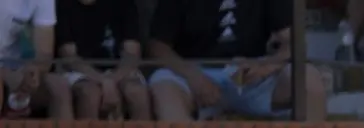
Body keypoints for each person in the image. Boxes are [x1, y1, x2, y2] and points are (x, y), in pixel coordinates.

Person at [147, 0, 327, 121]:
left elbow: (295, 42)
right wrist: (194, 77)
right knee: (163, 87)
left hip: (251, 75)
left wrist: (266, 66)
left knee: (308, 78)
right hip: (195, 73)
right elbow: (158, 46)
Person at [54, 0, 148, 119]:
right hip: (80, 71)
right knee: (90, 93)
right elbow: (69, 58)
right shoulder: (64, 5)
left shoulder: (124, 4)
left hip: (119, 71)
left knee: (137, 93)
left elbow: (132, 54)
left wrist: (112, 80)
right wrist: (104, 81)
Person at [3, 0, 73, 118]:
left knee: (58, 87)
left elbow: (44, 54)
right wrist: (5, 75)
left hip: (17, 70)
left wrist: (34, 70)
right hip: (6, 73)